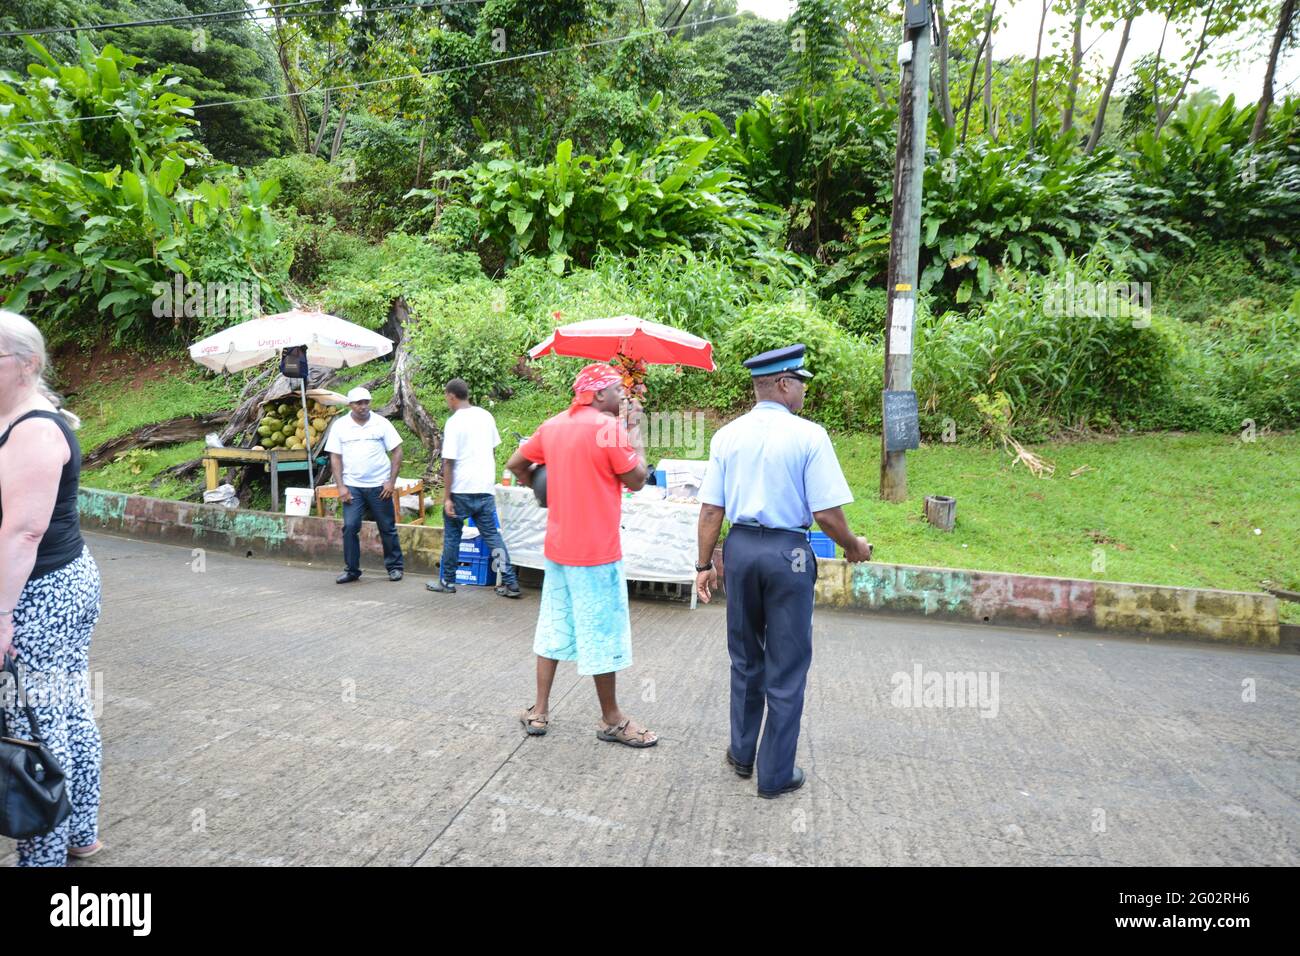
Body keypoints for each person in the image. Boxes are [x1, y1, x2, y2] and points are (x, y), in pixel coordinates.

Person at [694, 344, 873, 798]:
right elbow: (827, 514)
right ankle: (774, 775)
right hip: (787, 554)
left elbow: (711, 510)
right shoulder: (809, 436)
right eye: (801, 384)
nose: (804, 393)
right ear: (782, 384)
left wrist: (703, 564)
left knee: (745, 657)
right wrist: (854, 546)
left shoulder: (726, 436)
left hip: (740, 550)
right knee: (787, 666)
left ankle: (740, 754)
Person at [505, 364, 657, 747]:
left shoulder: (553, 425)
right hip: (597, 552)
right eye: (616, 392)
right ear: (597, 395)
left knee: (554, 625)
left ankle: (539, 712)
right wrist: (634, 431)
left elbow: (516, 465)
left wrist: (545, 488)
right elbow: (637, 480)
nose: (622, 398)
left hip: (559, 548)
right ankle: (612, 720)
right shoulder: (608, 430)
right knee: (602, 632)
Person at [0, 309, 104, 865]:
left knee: (34, 724)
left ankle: (41, 856)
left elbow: (23, 531)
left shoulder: (35, 428)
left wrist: (0, 614)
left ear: (27, 365)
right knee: (65, 710)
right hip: (58, 584)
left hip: (40, 592)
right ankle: (79, 832)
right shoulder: (22, 417)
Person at [427, 379, 520, 597]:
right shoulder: (485, 416)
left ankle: (447, 581)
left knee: (452, 537)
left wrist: (447, 497)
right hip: (484, 487)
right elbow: (493, 450)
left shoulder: (454, 422)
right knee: (492, 537)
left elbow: (448, 462)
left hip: (461, 490)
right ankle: (511, 583)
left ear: (451, 396)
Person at [324, 386, 405, 583]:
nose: (363, 406)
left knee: (387, 526)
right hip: (353, 486)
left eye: (366, 402)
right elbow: (335, 457)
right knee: (350, 527)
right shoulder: (340, 426)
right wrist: (341, 486)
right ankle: (352, 570)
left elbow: (397, 451)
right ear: (350, 405)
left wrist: (391, 482)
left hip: (379, 485)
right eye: (358, 403)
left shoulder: (381, 423)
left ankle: (394, 567)